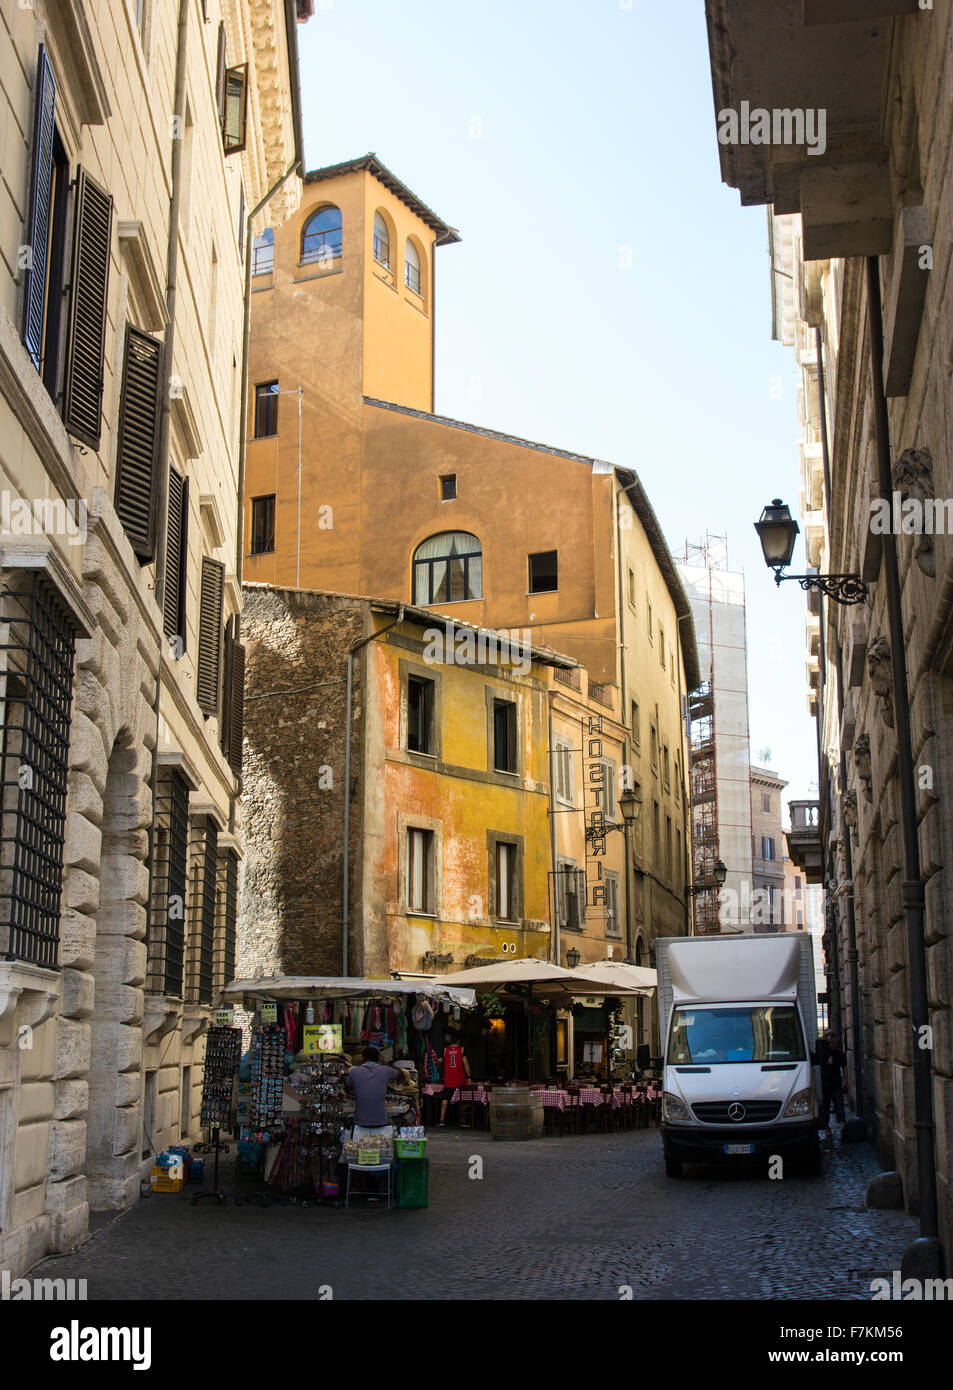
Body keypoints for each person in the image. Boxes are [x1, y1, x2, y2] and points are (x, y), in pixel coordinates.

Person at [345, 1046, 399, 1136]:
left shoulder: (354, 1072)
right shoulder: (386, 1070)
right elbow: (401, 1074)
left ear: (364, 1058)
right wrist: (384, 1063)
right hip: (380, 1119)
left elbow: (347, 1087)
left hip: (360, 1119)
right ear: (378, 1058)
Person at [815, 1029, 847, 1136]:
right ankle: (827, 1128)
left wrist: (846, 1082)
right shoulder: (822, 1054)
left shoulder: (839, 1053)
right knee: (825, 1107)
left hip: (836, 1083)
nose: (832, 1044)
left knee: (839, 1104)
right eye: (830, 1042)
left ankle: (842, 1124)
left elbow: (845, 1067)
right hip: (825, 1085)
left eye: (833, 1042)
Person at [437, 1034, 470, 1127]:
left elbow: (438, 1061)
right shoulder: (462, 1050)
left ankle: (441, 1120)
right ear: (459, 1041)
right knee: (462, 1099)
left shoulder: (445, 1050)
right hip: (460, 1080)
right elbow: (465, 1063)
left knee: (445, 1099)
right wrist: (469, 1077)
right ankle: (462, 1121)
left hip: (448, 1080)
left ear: (450, 1040)